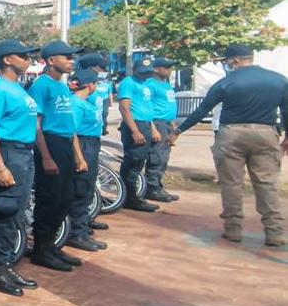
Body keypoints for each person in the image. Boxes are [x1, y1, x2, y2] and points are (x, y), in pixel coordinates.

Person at [174, 44, 288, 247]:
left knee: (231, 184)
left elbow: (202, 110)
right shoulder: (279, 80)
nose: (226, 64)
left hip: (231, 135)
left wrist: (178, 131)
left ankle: (233, 230)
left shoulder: (226, 82)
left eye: (226, 61)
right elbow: (286, 110)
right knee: (266, 184)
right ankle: (274, 232)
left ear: (235, 60)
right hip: (266, 133)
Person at [0, 40, 40, 296]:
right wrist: (0, 166)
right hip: (9, 152)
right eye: (23, 55)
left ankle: (5, 263)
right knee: (5, 211)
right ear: (7, 59)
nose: (28, 59)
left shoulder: (18, 88)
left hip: (24, 153)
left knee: (17, 210)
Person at [29, 40, 88, 272]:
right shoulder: (41, 86)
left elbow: (69, 125)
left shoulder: (62, 86)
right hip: (50, 144)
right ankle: (41, 250)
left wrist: (77, 155)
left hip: (64, 144)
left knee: (65, 198)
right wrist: (46, 157)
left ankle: (52, 245)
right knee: (49, 200)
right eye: (67, 56)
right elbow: (37, 124)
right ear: (51, 60)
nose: (71, 60)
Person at [66, 68, 108, 252]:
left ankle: (82, 228)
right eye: (95, 83)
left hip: (91, 144)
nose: (96, 87)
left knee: (88, 189)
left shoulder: (83, 102)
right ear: (89, 85)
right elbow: (71, 132)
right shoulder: (76, 103)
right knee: (80, 191)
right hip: (83, 145)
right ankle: (76, 233)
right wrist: (79, 157)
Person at [117, 60, 161, 213]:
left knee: (139, 162)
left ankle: (132, 196)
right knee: (133, 163)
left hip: (145, 124)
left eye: (148, 71)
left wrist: (153, 128)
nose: (146, 74)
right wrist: (135, 131)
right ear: (134, 69)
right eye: (143, 71)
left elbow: (147, 108)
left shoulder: (147, 83)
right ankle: (129, 198)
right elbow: (124, 107)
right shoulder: (128, 83)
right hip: (135, 125)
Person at [144, 58, 180, 203]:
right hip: (157, 123)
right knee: (157, 157)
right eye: (167, 67)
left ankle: (157, 185)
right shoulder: (150, 85)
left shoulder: (166, 84)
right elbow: (147, 107)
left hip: (167, 124)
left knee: (163, 157)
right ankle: (152, 188)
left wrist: (173, 125)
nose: (169, 70)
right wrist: (153, 129)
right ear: (156, 69)